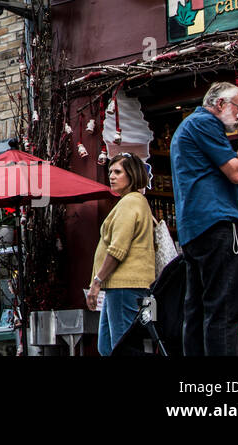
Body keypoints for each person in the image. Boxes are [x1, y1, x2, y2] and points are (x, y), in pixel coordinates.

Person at [170, 81, 238, 356]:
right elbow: (237, 173)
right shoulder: (205, 123)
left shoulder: (190, 126)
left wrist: (237, 216)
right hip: (215, 227)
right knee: (223, 308)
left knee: (197, 310)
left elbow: (203, 180)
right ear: (220, 104)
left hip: (196, 228)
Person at [85, 152, 156, 356]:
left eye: (118, 172)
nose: (112, 176)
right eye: (110, 172)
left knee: (122, 346)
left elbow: (117, 249)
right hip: (124, 286)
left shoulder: (130, 202)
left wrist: (97, 282)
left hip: (125, 286)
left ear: (132, 175)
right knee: (107, 347)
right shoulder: (134, 202)